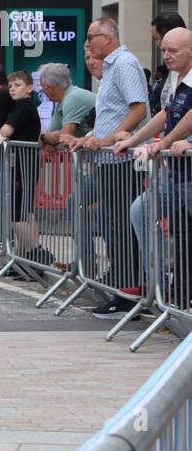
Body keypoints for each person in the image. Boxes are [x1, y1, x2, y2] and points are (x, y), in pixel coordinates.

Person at [61, 17, 150, 319]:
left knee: (120, 228)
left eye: (91, 37)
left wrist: (109, 140)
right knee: (113, 227)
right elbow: (112, 114)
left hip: (121, 160)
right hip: (110, 159)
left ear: (107, 38)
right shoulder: (112, 67)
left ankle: (128, 296)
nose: (87, 43)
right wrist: (92, 139)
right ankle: (124, 291)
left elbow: (138, 108)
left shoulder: (123, 64)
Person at [117, 28, 192, 307]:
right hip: (175, 172)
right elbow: (167, 113)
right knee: (142, 210)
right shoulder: (174, 78)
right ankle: (157, 284)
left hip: (186, 169)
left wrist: (165, 143)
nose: (166, 55)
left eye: (173, 50)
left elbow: (188, 118)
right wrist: (136, 139)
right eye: (164, 50)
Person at [0, 70, 54, 272]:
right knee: (24, 212)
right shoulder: (23, 105)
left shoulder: (23, 105)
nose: (12, 88)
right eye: (10, 85)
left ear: (29, 88)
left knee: (18, 214)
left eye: (17, 85)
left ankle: (33, 254)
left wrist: (0, 134)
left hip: (22, 164)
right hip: (24, 162)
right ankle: (21, 260)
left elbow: (6, 131)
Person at [38, 62, 96, 148]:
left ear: (50, 88)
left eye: (42, 87)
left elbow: (64, 136)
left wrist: (44, 137)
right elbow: (52, 137)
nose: (41, 91)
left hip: (110, 156)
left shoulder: (73, 98)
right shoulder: (61, 100)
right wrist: (46, 140)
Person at [151, 12, 187, 113]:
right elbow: (168, 110)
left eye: (156, 39)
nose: (166, 57)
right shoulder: (174, 71)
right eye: (164, 51)